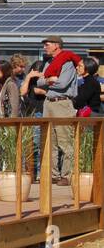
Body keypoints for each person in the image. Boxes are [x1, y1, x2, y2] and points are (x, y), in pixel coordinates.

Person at [33, 36, 82, 184]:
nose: (44, 48)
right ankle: (52, 174)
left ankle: (67, 175)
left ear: (56, 45)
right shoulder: (49, 62)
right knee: (49, 141)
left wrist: (47, 81)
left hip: (62, 103)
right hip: (49, 103)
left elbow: (62, 84)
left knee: (65, 142)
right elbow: (40, 81)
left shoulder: (67, 63)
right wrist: (49, 80)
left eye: (47, 45)